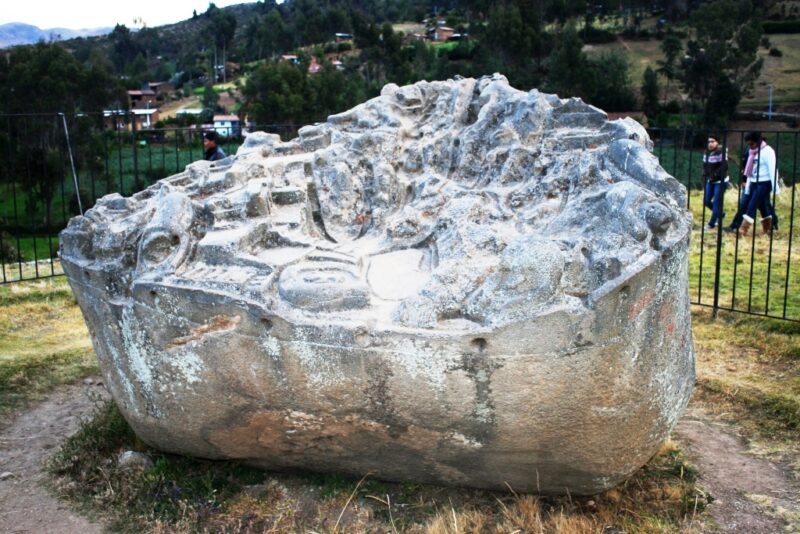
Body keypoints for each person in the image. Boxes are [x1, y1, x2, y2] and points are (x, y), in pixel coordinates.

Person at [739, 131, 779, 236]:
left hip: (764, 183)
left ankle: (743, 229)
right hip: (753, 182)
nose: (750, 146)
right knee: (763, 206)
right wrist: (748, 185)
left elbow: (773, 169)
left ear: (758, 141)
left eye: (751, 144)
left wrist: (775, 187)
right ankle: (769, 229)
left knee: (752, 205)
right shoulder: (752, 152)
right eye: (748, 144)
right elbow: (750, 171)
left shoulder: (768, 151)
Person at [701, 135, 729, 230]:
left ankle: (712, 223)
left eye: (713, 141)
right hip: (710, 180)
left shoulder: (721, 151)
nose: (710, 144)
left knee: (717, 201)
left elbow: (724, 166)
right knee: (706, 201)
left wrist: (716, 174)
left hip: (720, 181)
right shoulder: (707, 152)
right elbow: (705, 165)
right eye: (709, 142)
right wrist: (705, 172)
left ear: (717, 142)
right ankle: (720, 214)